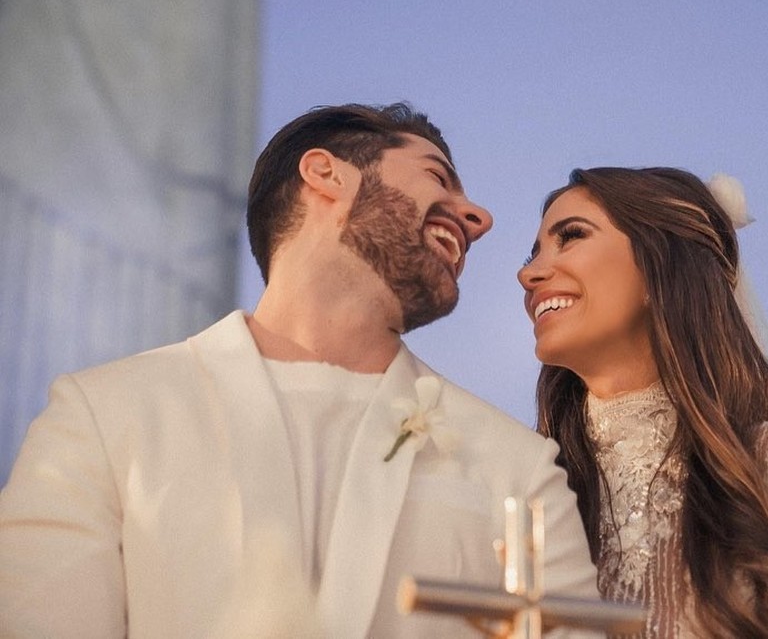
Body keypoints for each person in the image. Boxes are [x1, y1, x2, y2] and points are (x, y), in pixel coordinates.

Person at [0, 103, 599, 638]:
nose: (480, 217)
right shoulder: (102, 417)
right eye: (437, 176)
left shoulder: (519, 467)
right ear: (325, 173)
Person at [517, 167, 768, 638]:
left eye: (571, 236)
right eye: (534, 253)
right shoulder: (532, 491)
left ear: (659, 264)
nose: (528, 274)